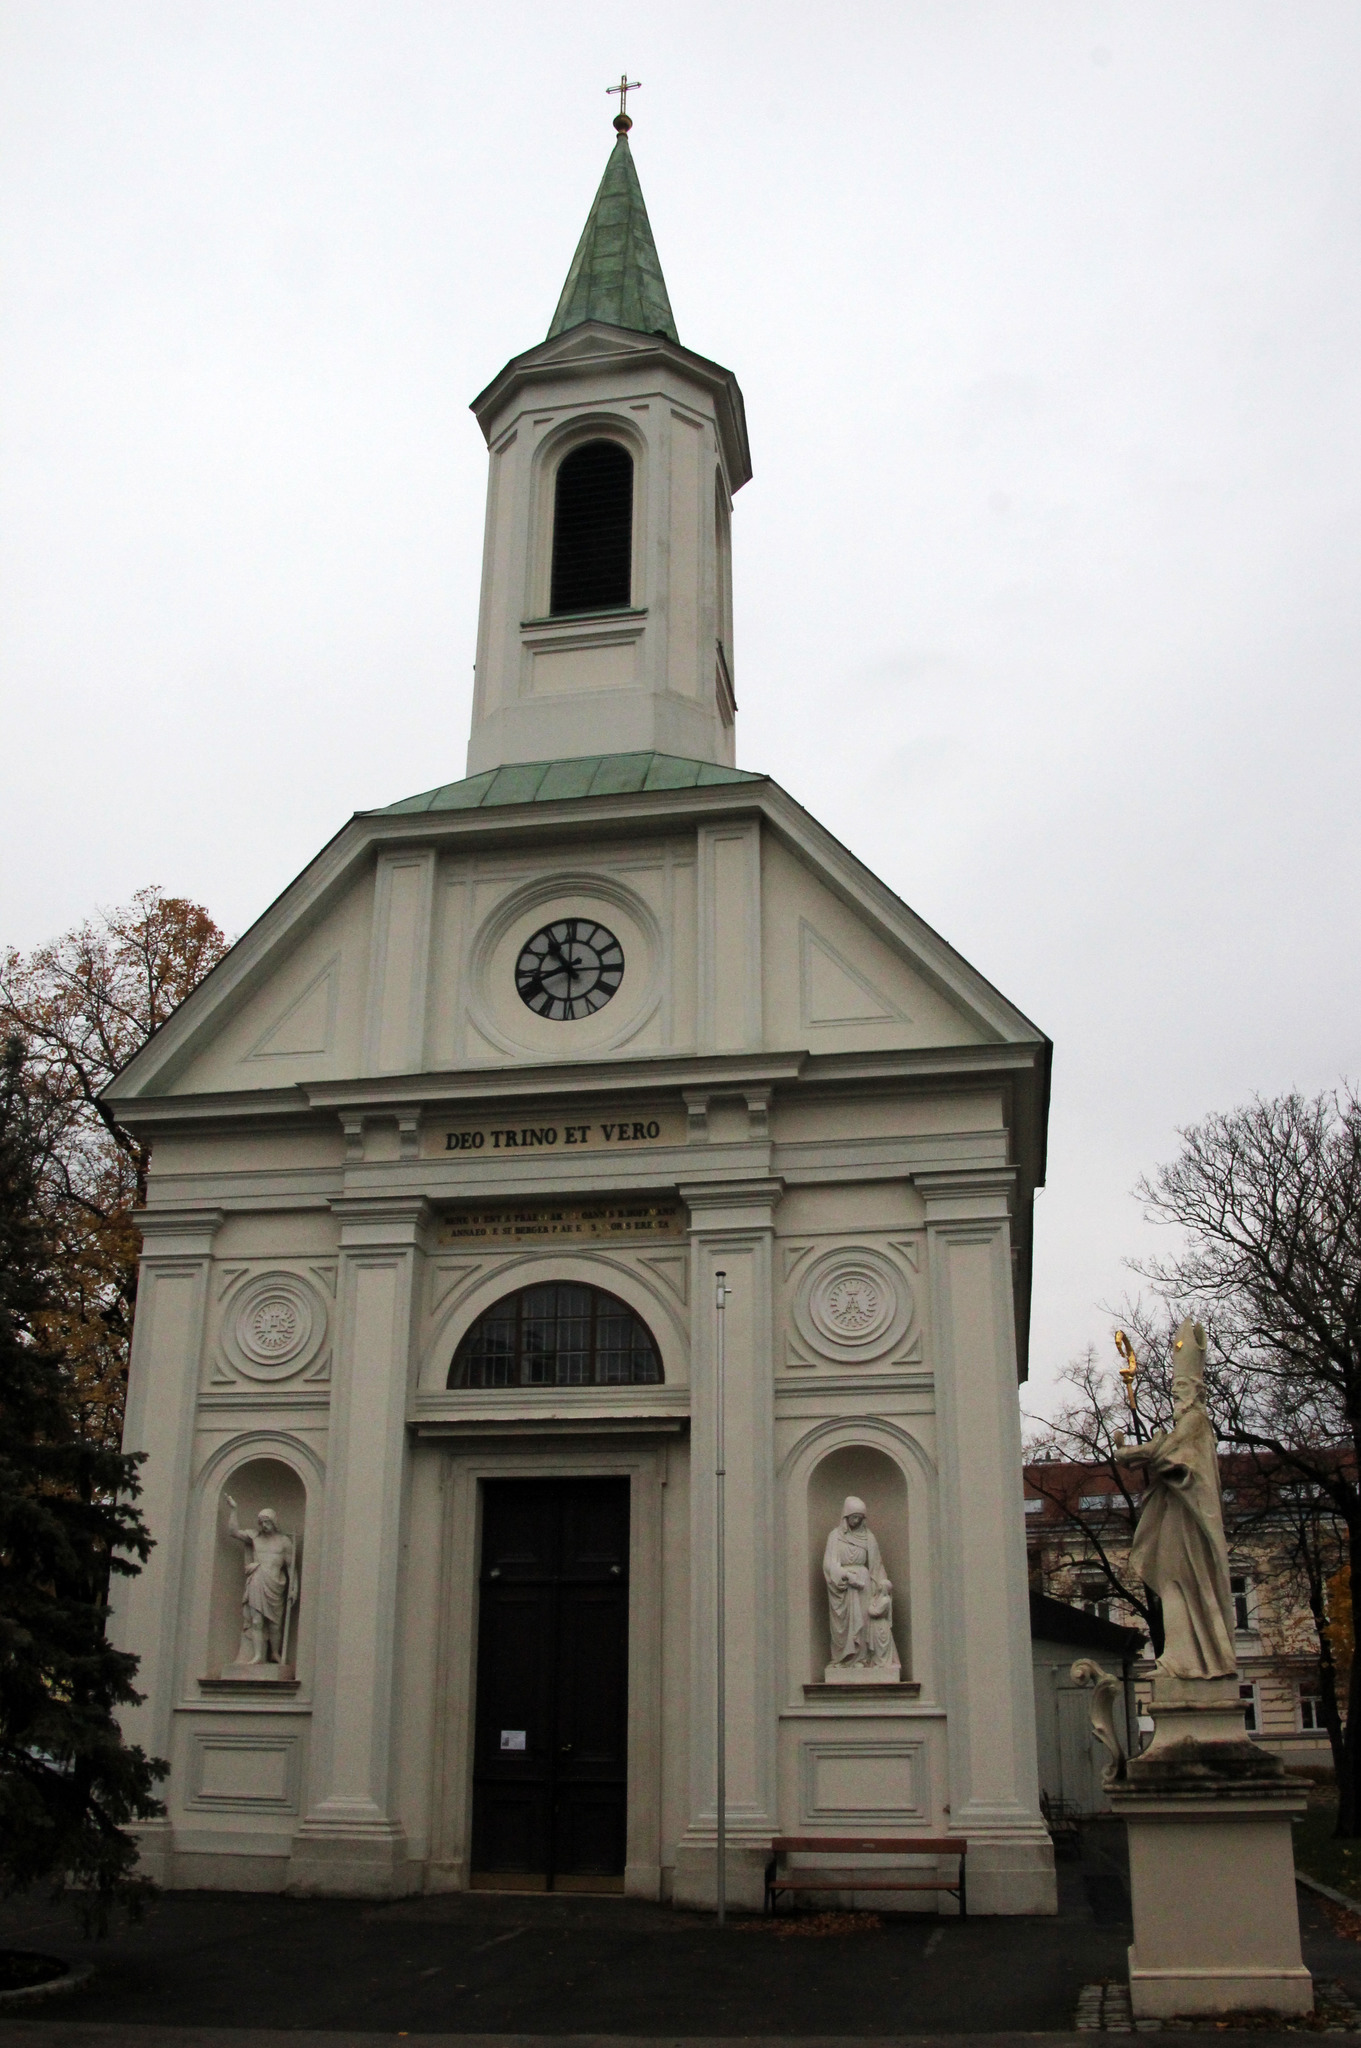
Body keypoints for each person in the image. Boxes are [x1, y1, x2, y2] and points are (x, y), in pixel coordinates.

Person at [1115, 1318, 1236, 1682]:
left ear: (1197, 1391)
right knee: (1173, 1585)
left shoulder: (1196, 1421)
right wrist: (1139, 1452)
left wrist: (1131, 1451)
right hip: (1179, 1516)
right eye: (1175, 1387)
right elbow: (1166, 1453)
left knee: (1178, 1584)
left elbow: (1170, 1452)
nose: (1177, 1395)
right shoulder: (1188, 1424)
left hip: (1191, 1523)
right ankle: (1181, 1659)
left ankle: (1189, 1661)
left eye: (1183, 1386)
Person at [823, 1496, 899, 1672]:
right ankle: (845, 1659)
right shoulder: (835, 1537)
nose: (856, 1521)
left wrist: (882, 1589)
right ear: (846, 1516)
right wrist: (846, 1575)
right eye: (853, 1517)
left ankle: (863, 1658)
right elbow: (829, 1564)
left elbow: (877, 1566)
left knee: (864, 1622)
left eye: (859, 1517)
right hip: (843, 1587)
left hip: (864, 1586)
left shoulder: (868, 1538)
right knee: (846, 1626)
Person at [225, 1498, 297, 1667]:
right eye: (262, 1522)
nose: (264, 1525)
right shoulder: (254, 1537)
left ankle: (274, 1653)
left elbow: (292, 1569)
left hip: (275, 1585)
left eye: (267, 1522)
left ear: (274, 1523)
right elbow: (233, 1532)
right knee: (256, 1621)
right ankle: (257, 1655)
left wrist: (294, 1589)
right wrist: (234, 1510)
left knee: (274, 1625)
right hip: (257, 1581)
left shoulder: (284, 1542)